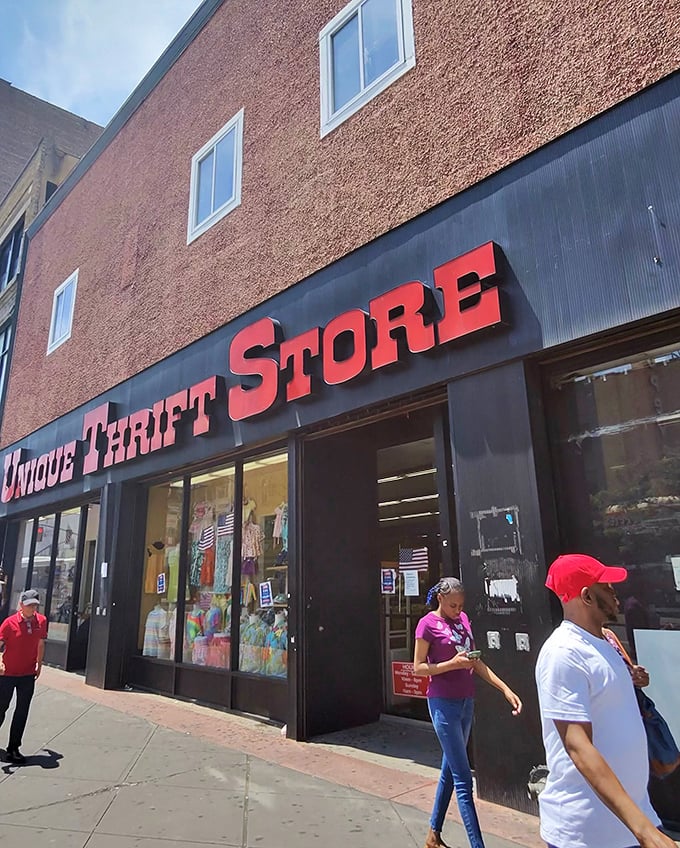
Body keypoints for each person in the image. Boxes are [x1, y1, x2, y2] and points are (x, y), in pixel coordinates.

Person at [535, 553, 675, 848]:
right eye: (607, 586)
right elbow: (578, 745)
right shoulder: (563, 653)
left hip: (631, 821)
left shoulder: (603, 643)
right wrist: (644, 830)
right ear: (587, 596)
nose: (615, 593)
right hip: (589, 833)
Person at [413, 577, 522, 848]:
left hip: (466, 702)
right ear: (440, 599)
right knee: (463, 780)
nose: (457, 610)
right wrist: (450, 664)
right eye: (453, 605)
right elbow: (418, 668)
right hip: (443, 704)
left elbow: (476, 661)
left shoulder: (463, 620)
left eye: (461, 605)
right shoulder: (427, 624)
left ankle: (433, 836)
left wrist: (504, 688)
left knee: (450, 770)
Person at [0, 589, 48, 764]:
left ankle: (13, 749)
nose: (32, 608)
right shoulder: (9, 623)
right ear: (21, 605)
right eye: (29, 605)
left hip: (27, 674)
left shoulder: (41, 621)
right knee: (1, 707)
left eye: (35, 605)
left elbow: (40, 643)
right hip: (7, 674)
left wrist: (39, 664)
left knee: (22, 710)